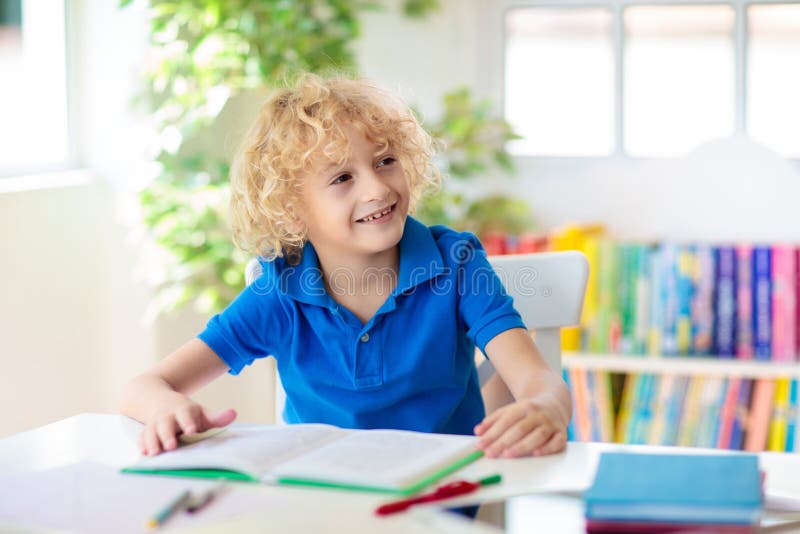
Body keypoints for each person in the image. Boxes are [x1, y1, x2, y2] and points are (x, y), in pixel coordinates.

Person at [120, 73, 571, 460]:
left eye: (386, 161)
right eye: (342, 178)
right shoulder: (279, 293)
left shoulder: (458, 267)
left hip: (438, 502)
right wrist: (164, 408)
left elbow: (537, 379)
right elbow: (145, 385)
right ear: (292, 210)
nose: (377, 188)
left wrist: (546, 404)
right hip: (321, 502)